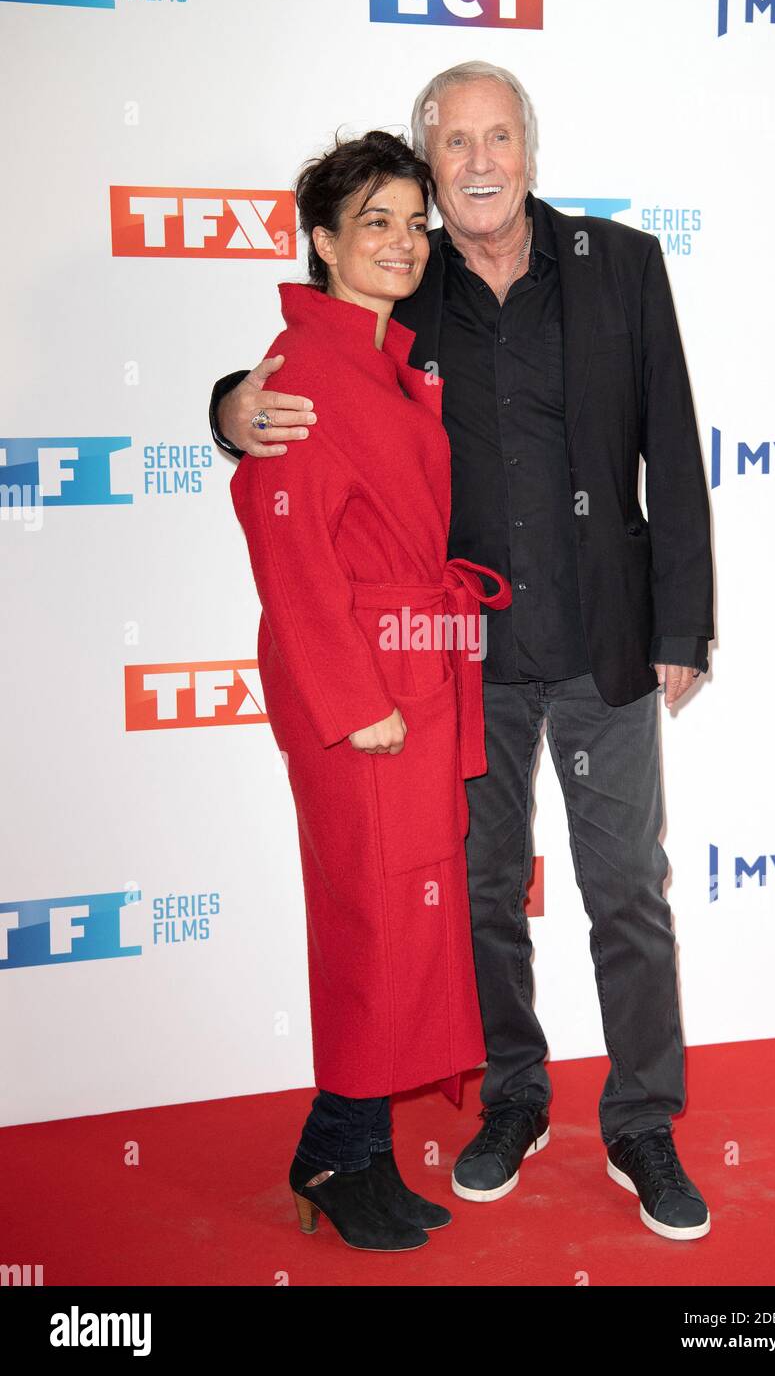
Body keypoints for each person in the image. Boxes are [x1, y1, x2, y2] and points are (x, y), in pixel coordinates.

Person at [213, 62, 715, 1242]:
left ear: (529, 153)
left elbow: (673, 452)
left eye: (500, 138)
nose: (479, 163)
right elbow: (303, 374)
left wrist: (680, 625)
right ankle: (512, 1098)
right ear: (430, 171)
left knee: (626, 896)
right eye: (455, 146)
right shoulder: (408, 275)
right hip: (459, 662)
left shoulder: (620, 267)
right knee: (480, 897)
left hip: (601, 646)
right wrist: (230, 404)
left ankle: (642, 1123)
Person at [228, 128, 511, 1253]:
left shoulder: (387, 359)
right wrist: (358, 704)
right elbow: (287, 554)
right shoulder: (296, 377)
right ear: (322, 244)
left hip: (415, 677)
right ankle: (336, 1155)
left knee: (403, 924)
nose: (399, 242)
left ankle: (352, 1151)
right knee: (371, 925)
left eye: (410, 221)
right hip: (366, 702)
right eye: (373, 224)